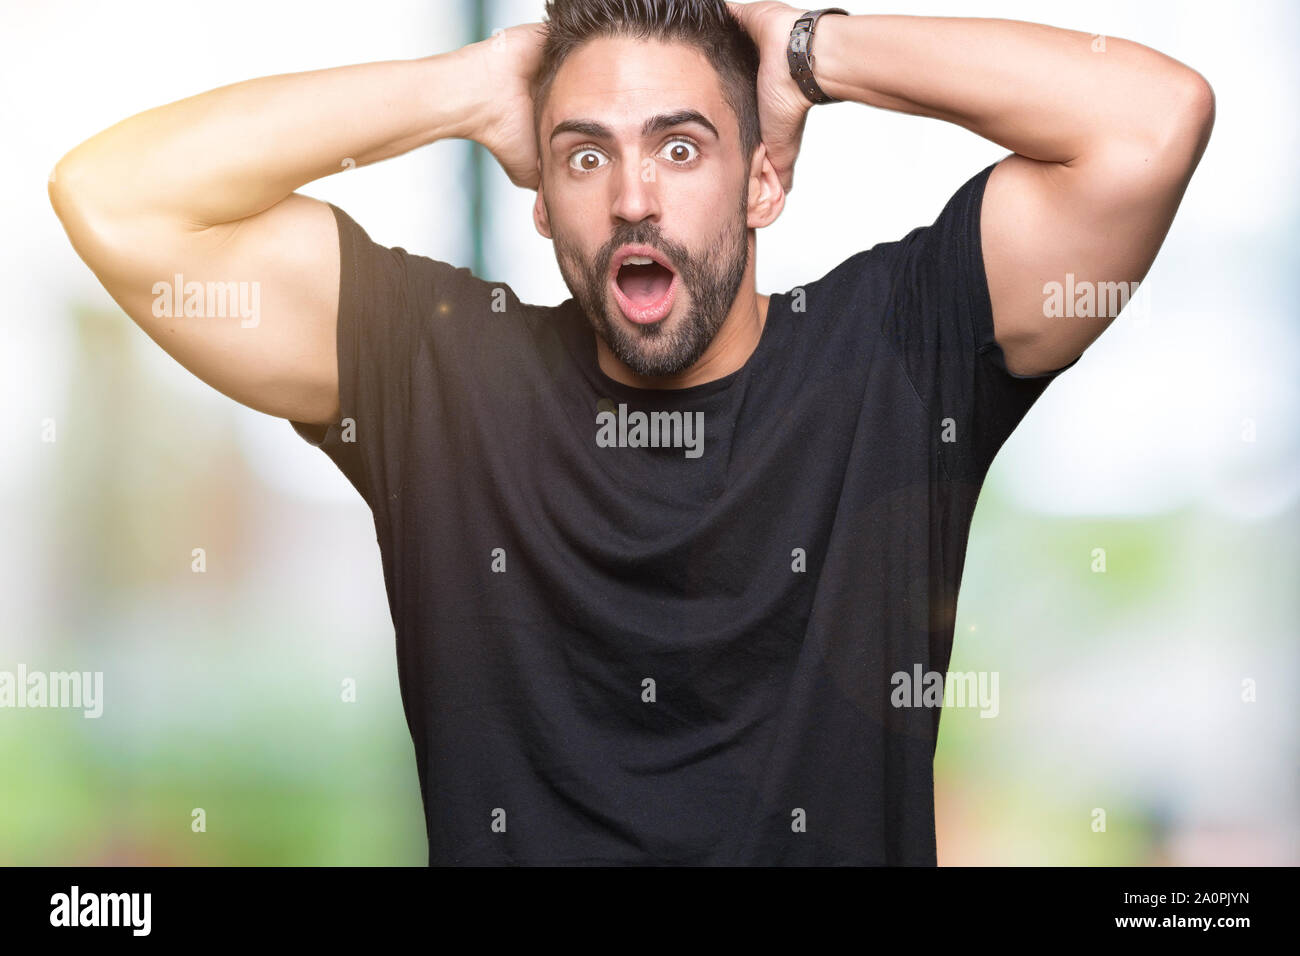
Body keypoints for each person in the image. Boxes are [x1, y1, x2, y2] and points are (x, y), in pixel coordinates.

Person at [48, 0, 1213, 865]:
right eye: (587, 153)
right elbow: (117, 197)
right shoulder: (443, 374)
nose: (635, 197)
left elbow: (1152, 119)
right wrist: (467, 84)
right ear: (542, 196)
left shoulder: (896, 352)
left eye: (681, 145)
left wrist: (811, 50)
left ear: (764, 179)